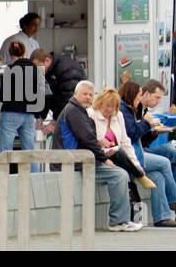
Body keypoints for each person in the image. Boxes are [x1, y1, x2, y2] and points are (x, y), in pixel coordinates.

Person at [53, 81, 146, 232]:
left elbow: (89, 138)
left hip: (82, 159)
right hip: (74, 162)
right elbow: (87, 140)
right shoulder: (74, 111)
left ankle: (130, 215)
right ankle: (118, 221)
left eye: (90, 94)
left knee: (124, 171)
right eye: (84, 94)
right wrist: (106, 159)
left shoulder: (78, 111)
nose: (88, 97)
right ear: (75, 94)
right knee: (120, 175)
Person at [119, 80, 176, 227]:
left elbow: (141, 139)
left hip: (140, 150)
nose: (159, 102)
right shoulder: (128, 109)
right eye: (157, 97)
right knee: (167, 161)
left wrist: (153, 132)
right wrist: (146, 124)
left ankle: (173, 216)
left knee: (171, 162)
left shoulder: (138, 109)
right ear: (144, 94)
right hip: (134, 155)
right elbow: (131, 134)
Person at [0, 43, 48, 169]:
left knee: (5, 152)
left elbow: (3, 96)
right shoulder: (35, 71)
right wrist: (37, 115)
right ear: (25, 52)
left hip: (10, 113)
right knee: (29, 152)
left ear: (10, 54)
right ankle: (34, 182)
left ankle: (2, 182)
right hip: (29, 114)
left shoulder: (9, 69)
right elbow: (41, 94)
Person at [44, 48, 86, 119]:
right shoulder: (53, 70)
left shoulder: (63, 68)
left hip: (72, 112)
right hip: (70, 110)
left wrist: (56, 120)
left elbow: (67, 97)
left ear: (47, 60)